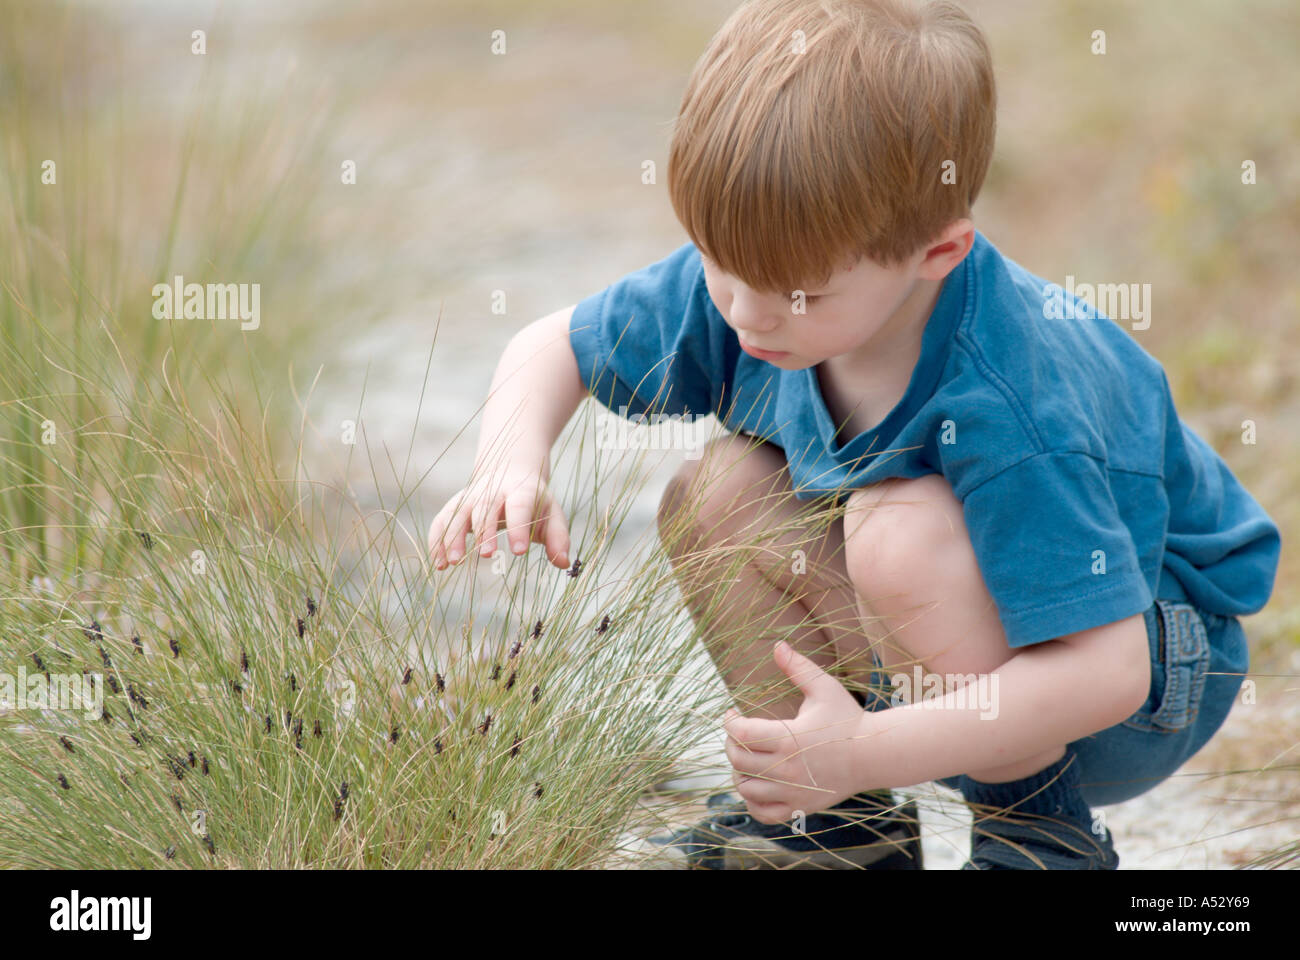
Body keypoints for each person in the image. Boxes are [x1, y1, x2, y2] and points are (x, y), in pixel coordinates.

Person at [426, 0, 1281, 869]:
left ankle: (1039, 834)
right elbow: (550, 345)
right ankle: (839, 830)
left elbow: (1109, 671)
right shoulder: (762, 276)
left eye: (797, 292)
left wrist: (865, 748)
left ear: (938, 255)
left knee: (899, 536)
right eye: (720, 264)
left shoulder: (1016, 394)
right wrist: (509, 464)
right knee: (711, 490)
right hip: (960, 655)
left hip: (1137, 679)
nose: (745, 313)